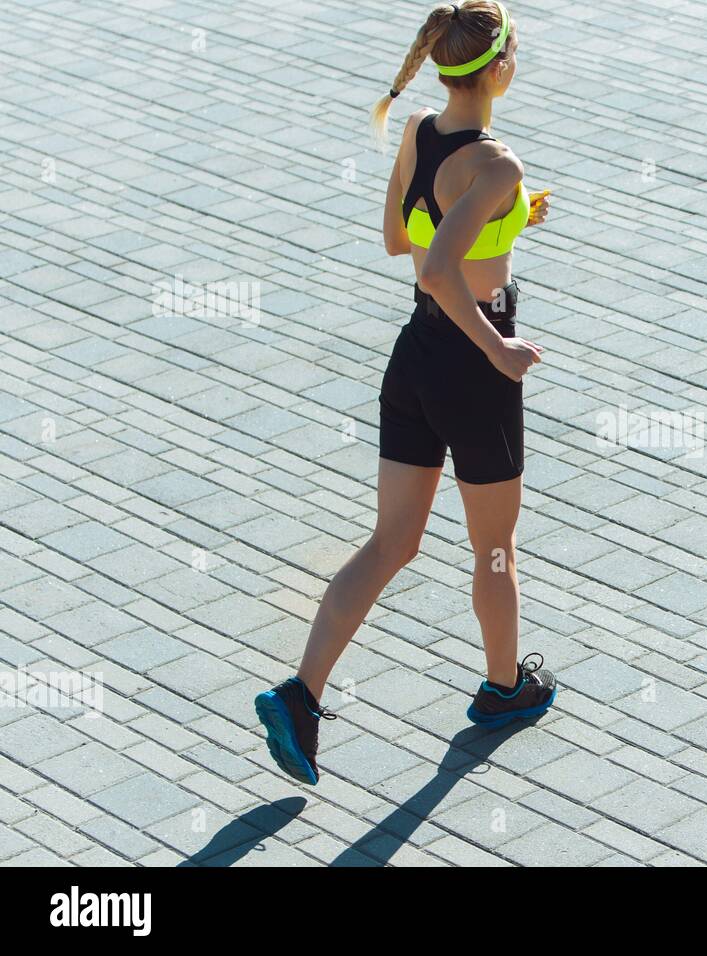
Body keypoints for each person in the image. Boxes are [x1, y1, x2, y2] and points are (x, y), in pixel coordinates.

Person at [255, 0, 556, 787]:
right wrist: (500, 348)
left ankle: (300, 694)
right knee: (494, 544)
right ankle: (504, 688)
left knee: (392, 542)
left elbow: (401, 236)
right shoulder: (498, 165)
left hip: (415, 355)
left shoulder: (422, 127)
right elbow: (434, 264)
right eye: (516, 52)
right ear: (497, 70)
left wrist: (510, 217)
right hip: (473, 365)